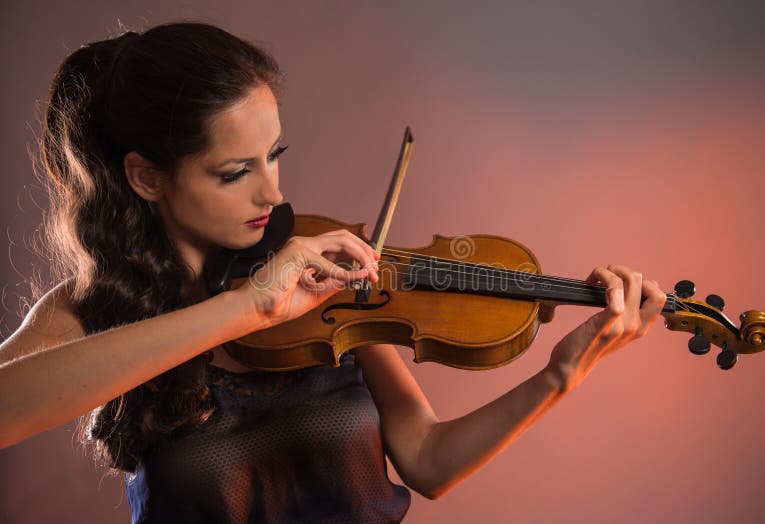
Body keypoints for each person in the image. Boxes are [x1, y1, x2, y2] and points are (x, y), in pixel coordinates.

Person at [0, 22, 667, 523]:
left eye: (273, 156)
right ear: (148, 177)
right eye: (235, 172)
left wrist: (559, 376)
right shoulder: (91, 311)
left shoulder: (322, 268)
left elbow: (427, 460)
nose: (271, 193)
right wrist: (246, 309)